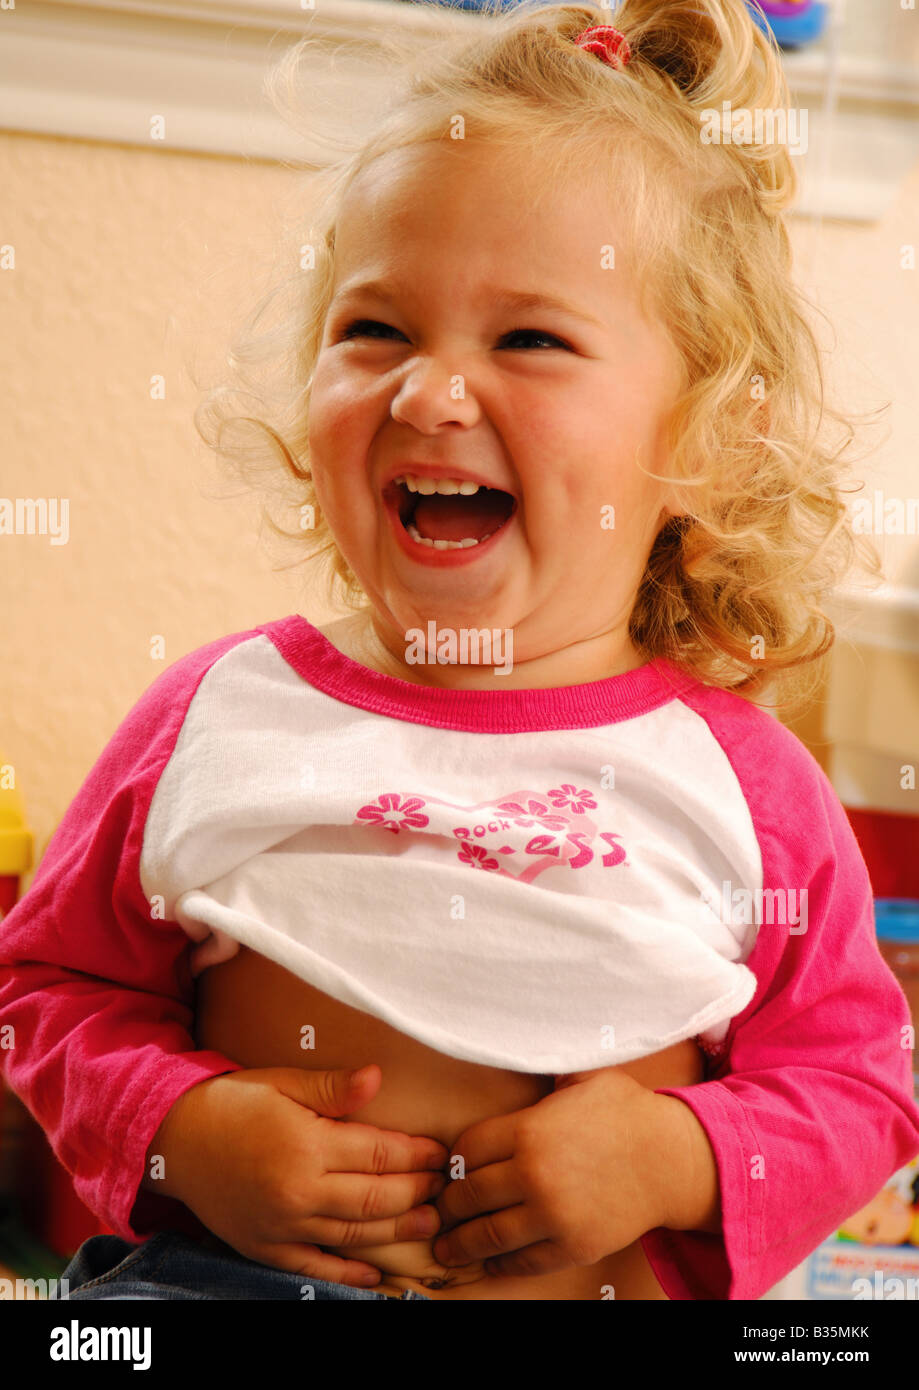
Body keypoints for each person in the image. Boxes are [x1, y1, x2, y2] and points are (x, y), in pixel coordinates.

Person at [2, 0, 918, 1302]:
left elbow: (856, 1090)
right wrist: (180, 1129)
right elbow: (48, 982)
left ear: (706, 438)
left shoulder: (746, 785)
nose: (429, 392)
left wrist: (679, 1154)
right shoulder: (217, 713)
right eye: (373, 330)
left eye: (530, 339)